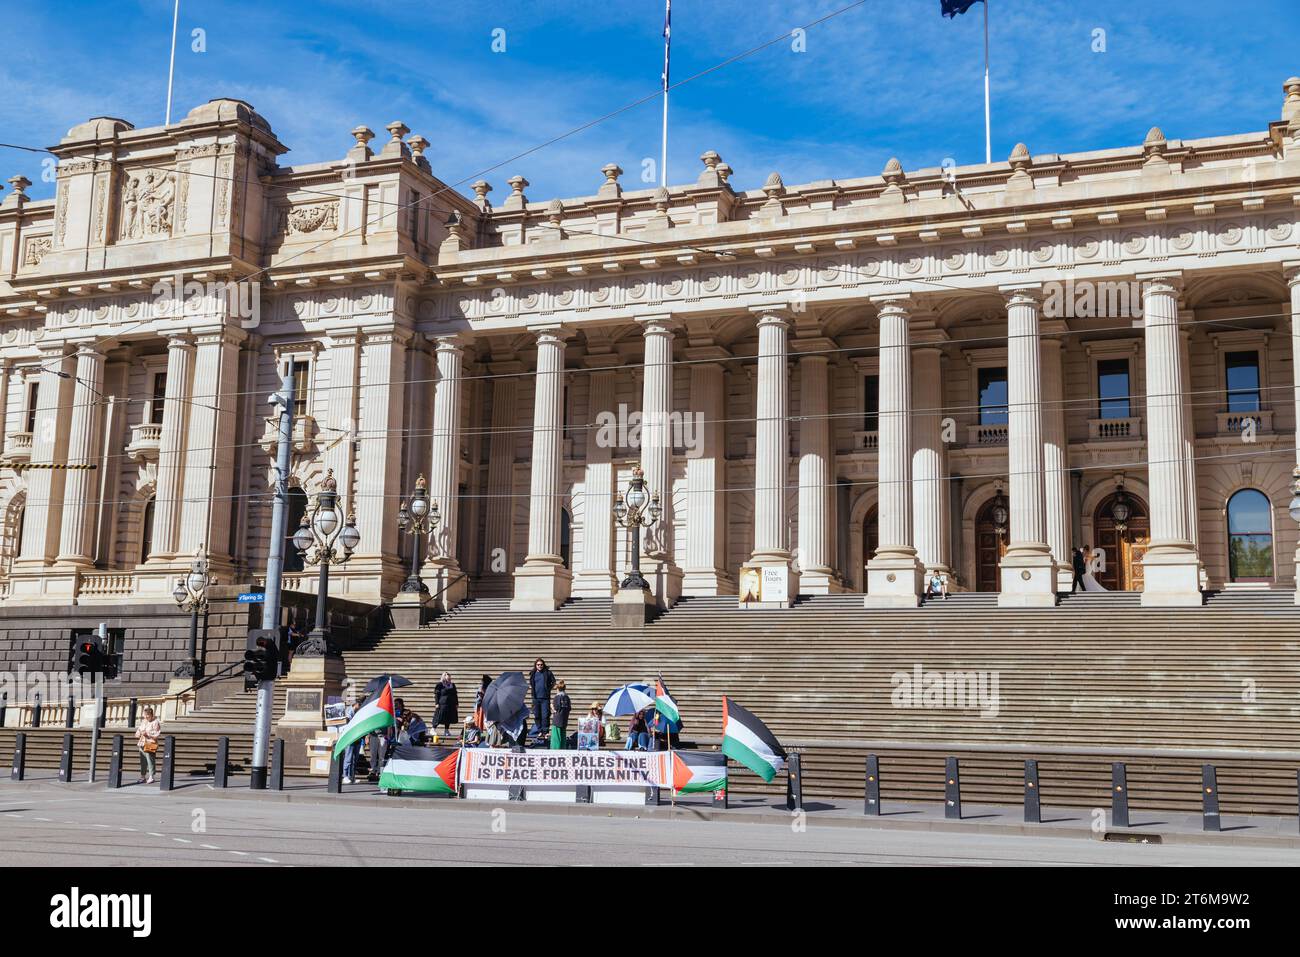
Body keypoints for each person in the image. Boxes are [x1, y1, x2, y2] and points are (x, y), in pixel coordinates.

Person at [529, 658, 555, 740]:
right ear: (535, 665)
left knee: (545, 715)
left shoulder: (547, 673)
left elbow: (553, 682)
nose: (540, 666)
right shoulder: (533, 673)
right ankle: (540, 730)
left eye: (541, 664)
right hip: (536, 698)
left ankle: (545, 732)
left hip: (545, 698)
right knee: (537, 715)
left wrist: (548, 689)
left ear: (543, 665)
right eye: (538, 665)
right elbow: (531, 683)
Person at [134, 706, 161, 784]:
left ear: (151, 715)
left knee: (150, 760)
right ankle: (143, 776)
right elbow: (139, 729)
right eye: (145, 715)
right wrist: (138, 734)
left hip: (150, 743)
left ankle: (151, 776)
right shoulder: (144, 721)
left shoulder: (155, 722)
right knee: (143, 761)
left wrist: (147, 734)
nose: (146, 717)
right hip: (142, 743)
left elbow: (157, 734)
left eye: (148, 715)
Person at [552, 679, 571, 744]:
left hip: (557, 719)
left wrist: (551, 707)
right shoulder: (567, 697)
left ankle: (556, 749)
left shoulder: (557, 697)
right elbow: (569, 708)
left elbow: (556, 708)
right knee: (563, 735)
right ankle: (563, 748)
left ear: (557, 689)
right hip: (564, 719)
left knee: (556, 736)